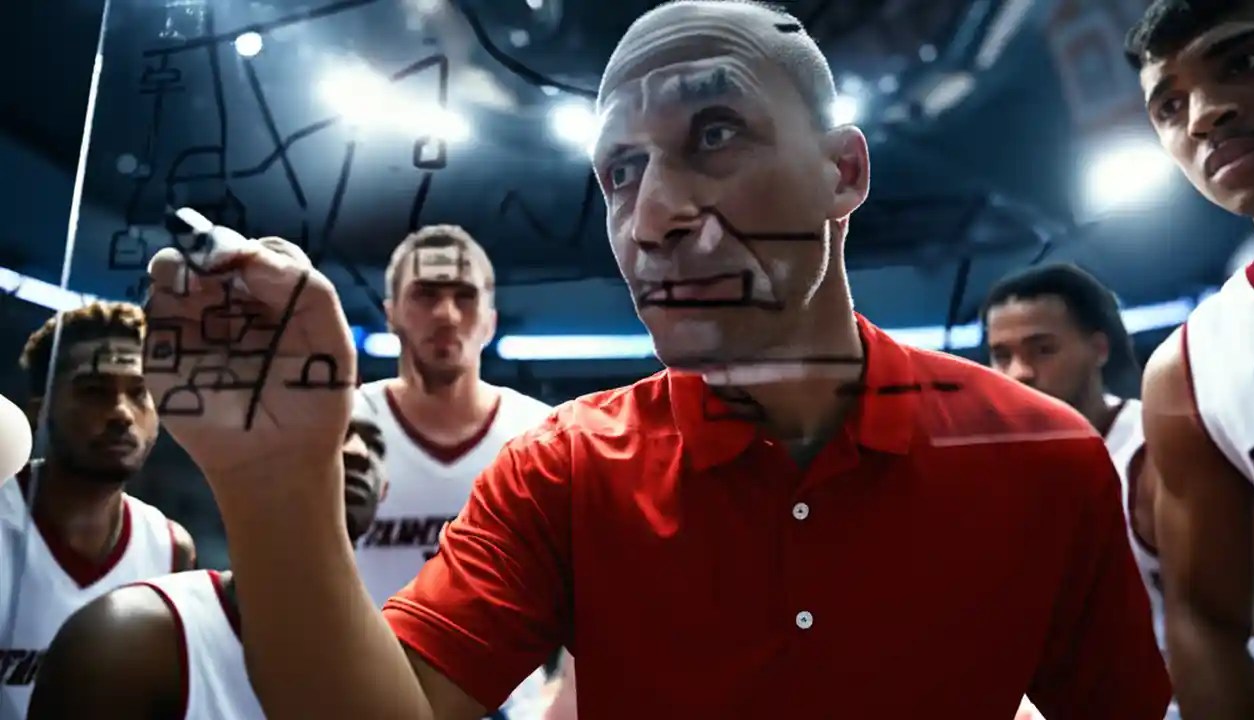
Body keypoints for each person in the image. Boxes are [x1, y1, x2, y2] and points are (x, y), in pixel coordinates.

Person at [142, 1, 1172, 718]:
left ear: (841, 172)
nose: (653, 217)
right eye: (619, 172)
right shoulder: (562, 469)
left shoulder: (1041, 455)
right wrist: (275, 482)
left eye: (714, 133)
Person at [983, 262, 1254, 719]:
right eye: (1001, 355)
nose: (1019, 372)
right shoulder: (998, 473)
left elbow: (1243, 620)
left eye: (1043, 349)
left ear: (1098, 347)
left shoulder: (1158, 448)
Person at [1126, 1, 1254, 717]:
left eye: (1245, 60)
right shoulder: (1189, 365)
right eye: (1169, 105)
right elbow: (1206, 624)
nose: (1203, 116)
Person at [24, 417, 386, 720]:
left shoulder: (399, 658)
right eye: (333, 430)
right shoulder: (125, 641)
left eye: (374, 445)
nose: (357, 452)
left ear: (384, 490)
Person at [352, 224, 561, 715]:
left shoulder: (541, 432)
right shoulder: (343, 429)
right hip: (366, 700)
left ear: (489, 321)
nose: (446, 314)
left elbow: (592, 593)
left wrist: (561, 698)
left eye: (464, 296)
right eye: (425, 295)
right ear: (391, 315)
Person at [0, 301, 197, 717]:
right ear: (41, 410)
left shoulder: (170, 548)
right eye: (94, 391)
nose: (123, 413)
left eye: (139, 392)